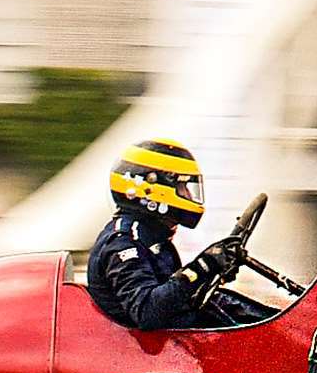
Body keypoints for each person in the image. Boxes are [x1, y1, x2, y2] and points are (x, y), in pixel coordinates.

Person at [86, 139, 272, 331]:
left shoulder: (153, 238)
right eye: (182, 187)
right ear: (152, 187)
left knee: (235, 308)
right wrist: (202, 267)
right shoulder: (124, 242)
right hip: (143, 352)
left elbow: (177, 297)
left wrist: (215, 272)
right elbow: (147, 313)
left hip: (171, 343)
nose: (189, 196)